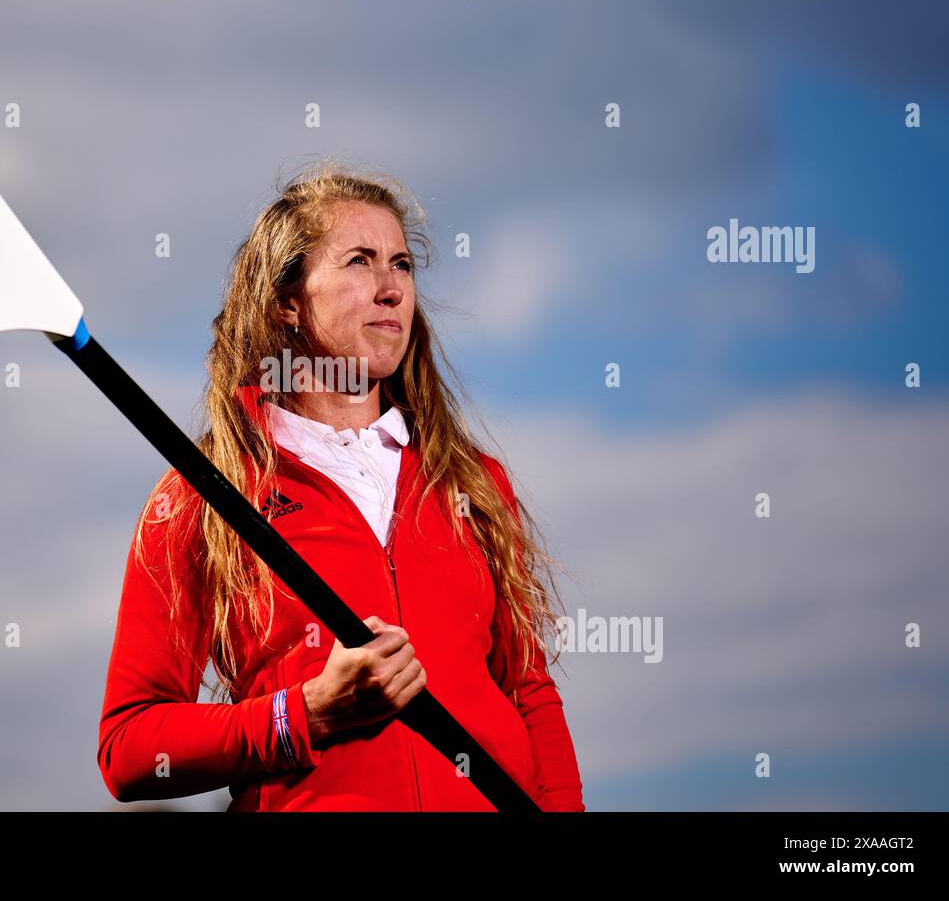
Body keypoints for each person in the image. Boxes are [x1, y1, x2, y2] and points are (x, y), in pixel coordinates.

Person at [97, 161, 584, 811]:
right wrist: (303, 716)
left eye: (403, 265)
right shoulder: (203, 495)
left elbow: (529, 695)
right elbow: (130, 748)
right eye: (360, 260)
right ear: (287, 302)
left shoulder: (471, 481)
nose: (392, 289)